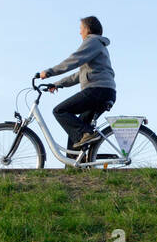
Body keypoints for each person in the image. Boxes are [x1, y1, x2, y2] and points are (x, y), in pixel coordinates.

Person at [39, 16, 117, 151]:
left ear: (87, 29)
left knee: (60, 111)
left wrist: (49, 72)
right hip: (104, 91)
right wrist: (57, 84)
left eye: (81, 29)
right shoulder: (97, 45)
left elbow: (74, 60)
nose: (80, 32)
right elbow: (78, 75)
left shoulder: (92, 41)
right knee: (76, 131)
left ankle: (87, 134)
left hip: (97, 90)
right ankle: (75, 167)